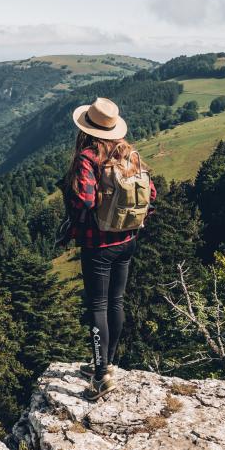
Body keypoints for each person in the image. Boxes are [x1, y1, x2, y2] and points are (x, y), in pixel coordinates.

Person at [63, 97, 156, 400]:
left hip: (98, 244)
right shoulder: (130, 155)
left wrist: (77, 216)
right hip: (127, 241)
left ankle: (101, 376)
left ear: (87, 128)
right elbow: (151, 194)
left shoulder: (88, 158)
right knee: (116, 301)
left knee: (97, 306)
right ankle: (107, 364)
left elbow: (85, 201)